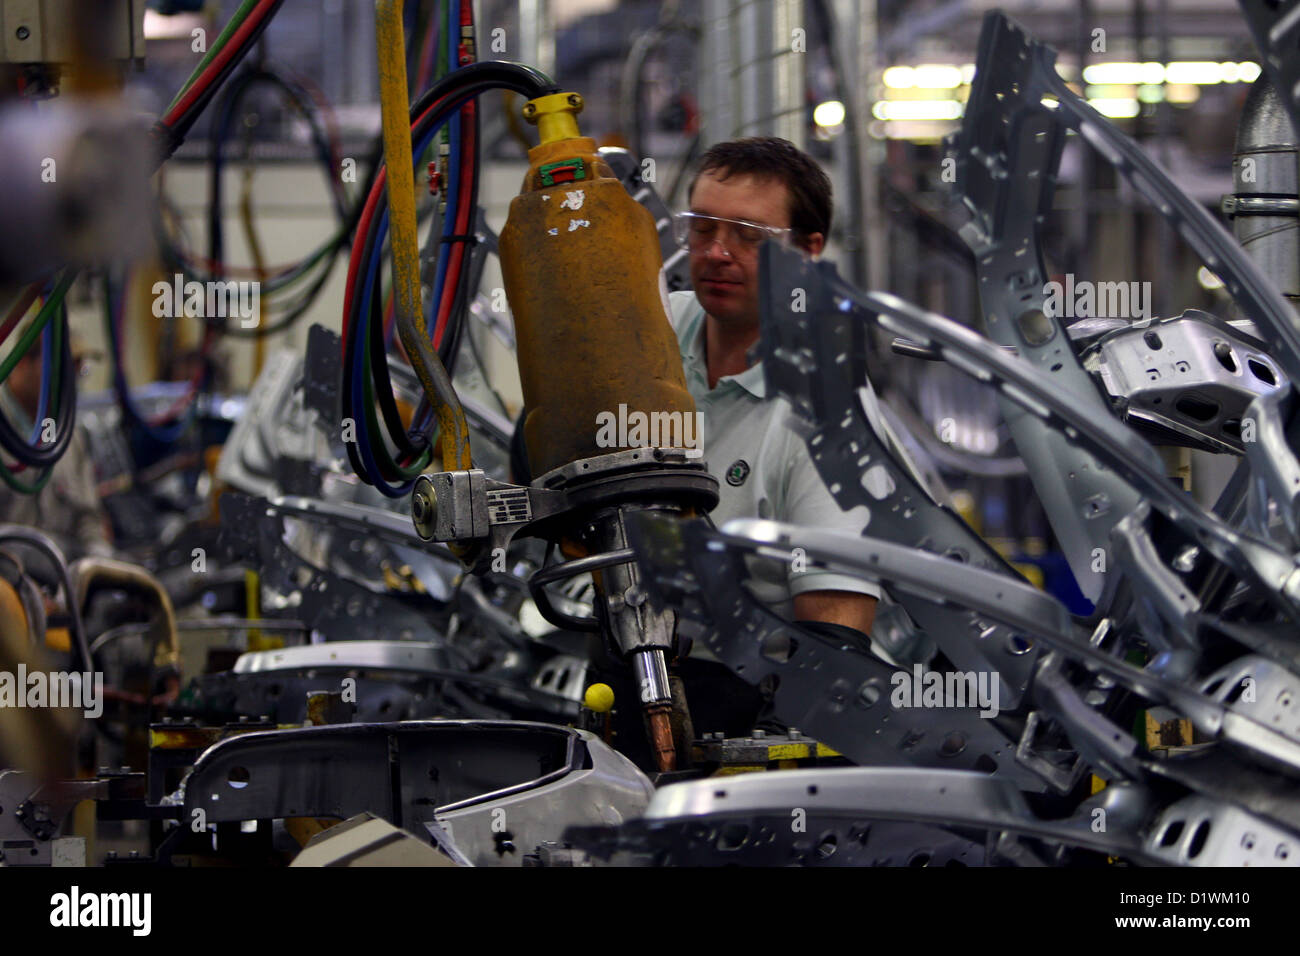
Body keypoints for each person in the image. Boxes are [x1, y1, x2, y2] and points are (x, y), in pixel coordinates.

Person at [668, 136, 880, 635]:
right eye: (702, 228)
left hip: (745, 676)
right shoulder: (651, 328)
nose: (716, 253)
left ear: (807, 252)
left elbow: (836, 640)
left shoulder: (829, 415)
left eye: (749, 236)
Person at [0, 344, 113, 561]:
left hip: (63, 566)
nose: (70, 383)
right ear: (22, 363)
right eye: (61, 370)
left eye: (77, 372)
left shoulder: (66, 437)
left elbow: (88, 517)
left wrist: (98, 556)